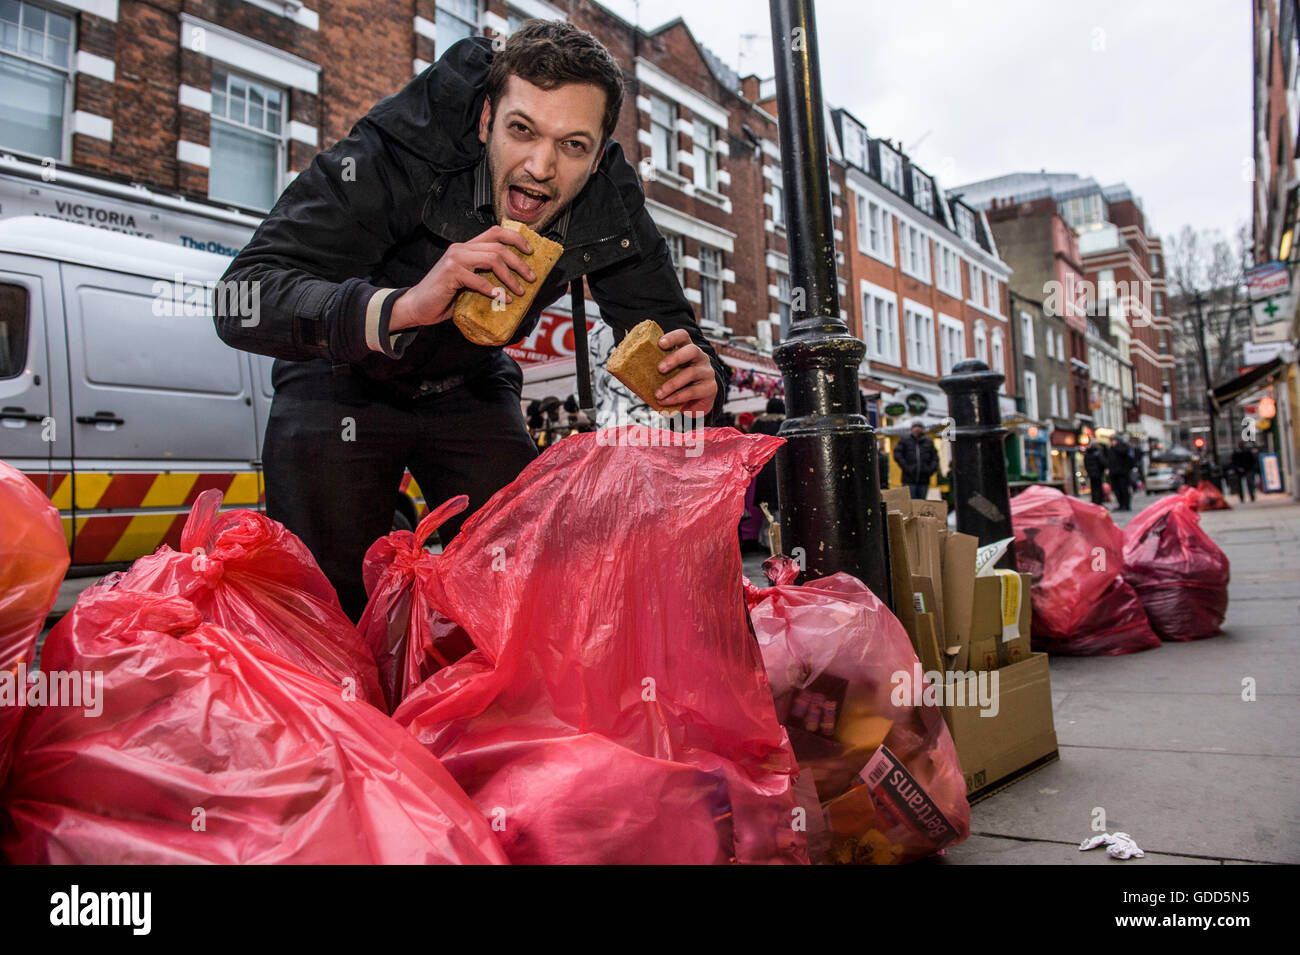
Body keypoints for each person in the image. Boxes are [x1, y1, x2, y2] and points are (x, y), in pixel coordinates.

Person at [215, 23, 728, 621]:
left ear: (598, 154)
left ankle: (482, 709)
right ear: (486, 119)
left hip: (469, 386)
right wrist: (405, 304)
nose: (540, 167)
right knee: (328, 608)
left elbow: (668, 330)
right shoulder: (396, 150)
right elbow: (240, 298)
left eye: (572, 146)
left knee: (531, 591)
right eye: (521, 130)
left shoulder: (608, 198)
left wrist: (698, 380)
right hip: (340, 379)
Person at [894, 421, 938, 500]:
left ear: (922, 429)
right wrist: (906, 467)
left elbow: (935, 457)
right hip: (909, 479)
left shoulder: (928, 442)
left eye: (919, 427)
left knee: (921, 504)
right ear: (912, 429)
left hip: (924, 479)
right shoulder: (905, 440)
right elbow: (897, 454)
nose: (917, 429)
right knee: (910, 502)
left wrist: (930, 470)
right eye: (915, 427)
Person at [1108, 436, 1136, 511]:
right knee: (1117, 490)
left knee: (1123, 489)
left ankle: (1125, 504)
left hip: (1122, 473)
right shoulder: (1111, 449)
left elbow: (1125, 455)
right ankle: (1121, 504)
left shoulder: (1122, 447)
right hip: (1115, 473)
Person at [1084, 441, 1107, 505]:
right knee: (1098, 488)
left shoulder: (1087, 453)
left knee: (1093, 488)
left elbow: (1085, 464)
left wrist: (1088, 471)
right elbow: (1102, 462)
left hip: (1091, 474)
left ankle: (1094, 501)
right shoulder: (1098, 453)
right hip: (1098, 473)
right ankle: (1099, 502)